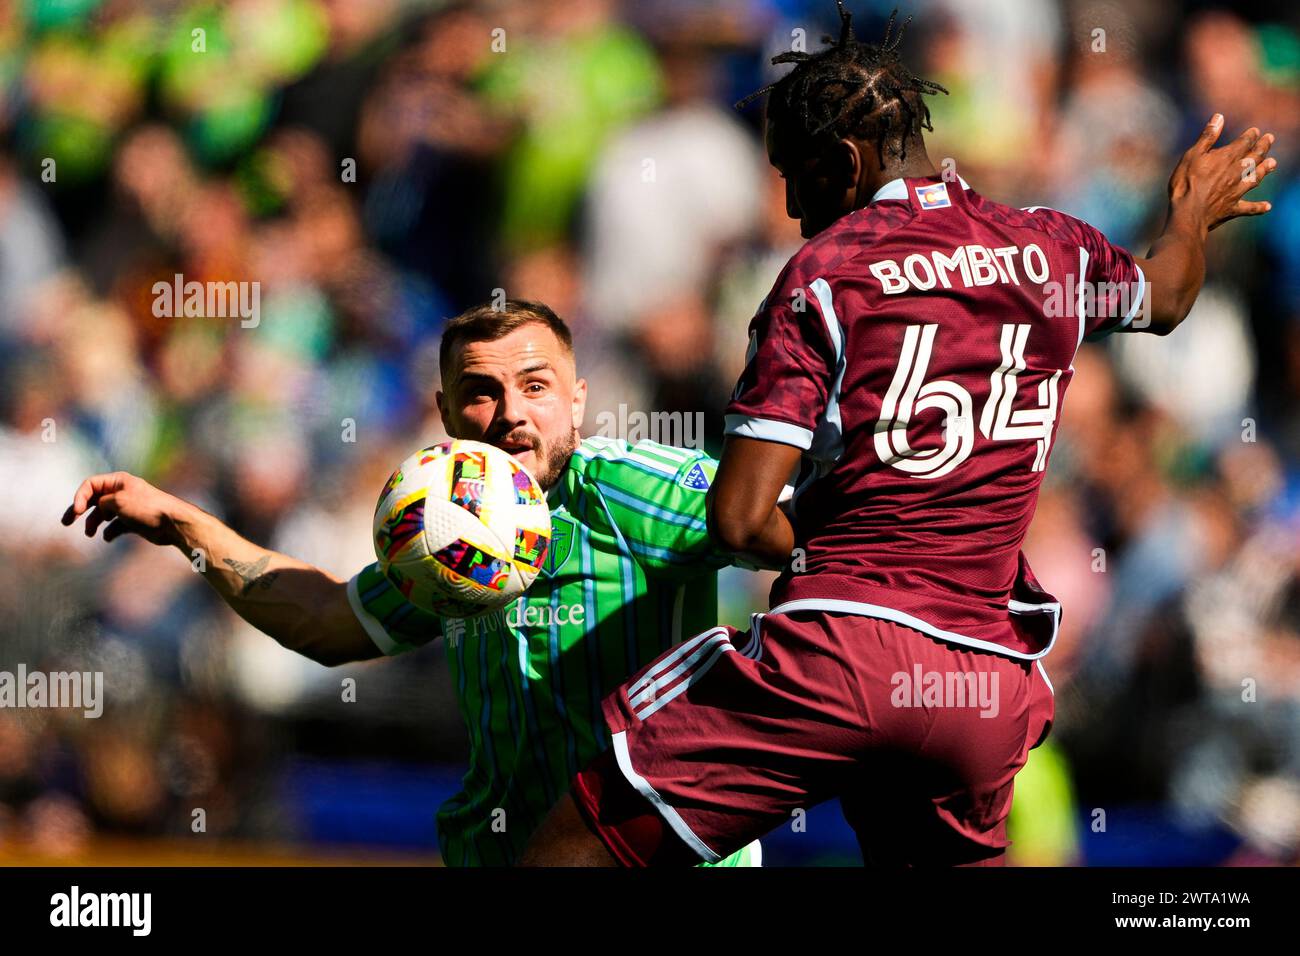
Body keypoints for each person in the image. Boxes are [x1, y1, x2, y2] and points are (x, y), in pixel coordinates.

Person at [519, 3, 1278, 866]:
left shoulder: (828, 273)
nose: (794, 208)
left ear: (843, 161)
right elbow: (1167, 297)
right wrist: (1188, 215)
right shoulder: (1050, 249)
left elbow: (736, 520)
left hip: (839, 655)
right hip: (986, 687)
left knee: (577, 839)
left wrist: (838, 545)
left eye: (795, 177)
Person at [61, 299, 760, 867]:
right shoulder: (446, 525)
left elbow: (804, 536)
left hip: (665, 858)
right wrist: (184, 523)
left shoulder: (634, 490)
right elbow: (327, 620)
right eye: (481, 392)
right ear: (447, 413)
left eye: (536, 386)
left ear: (578, 400)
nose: (512, 412)